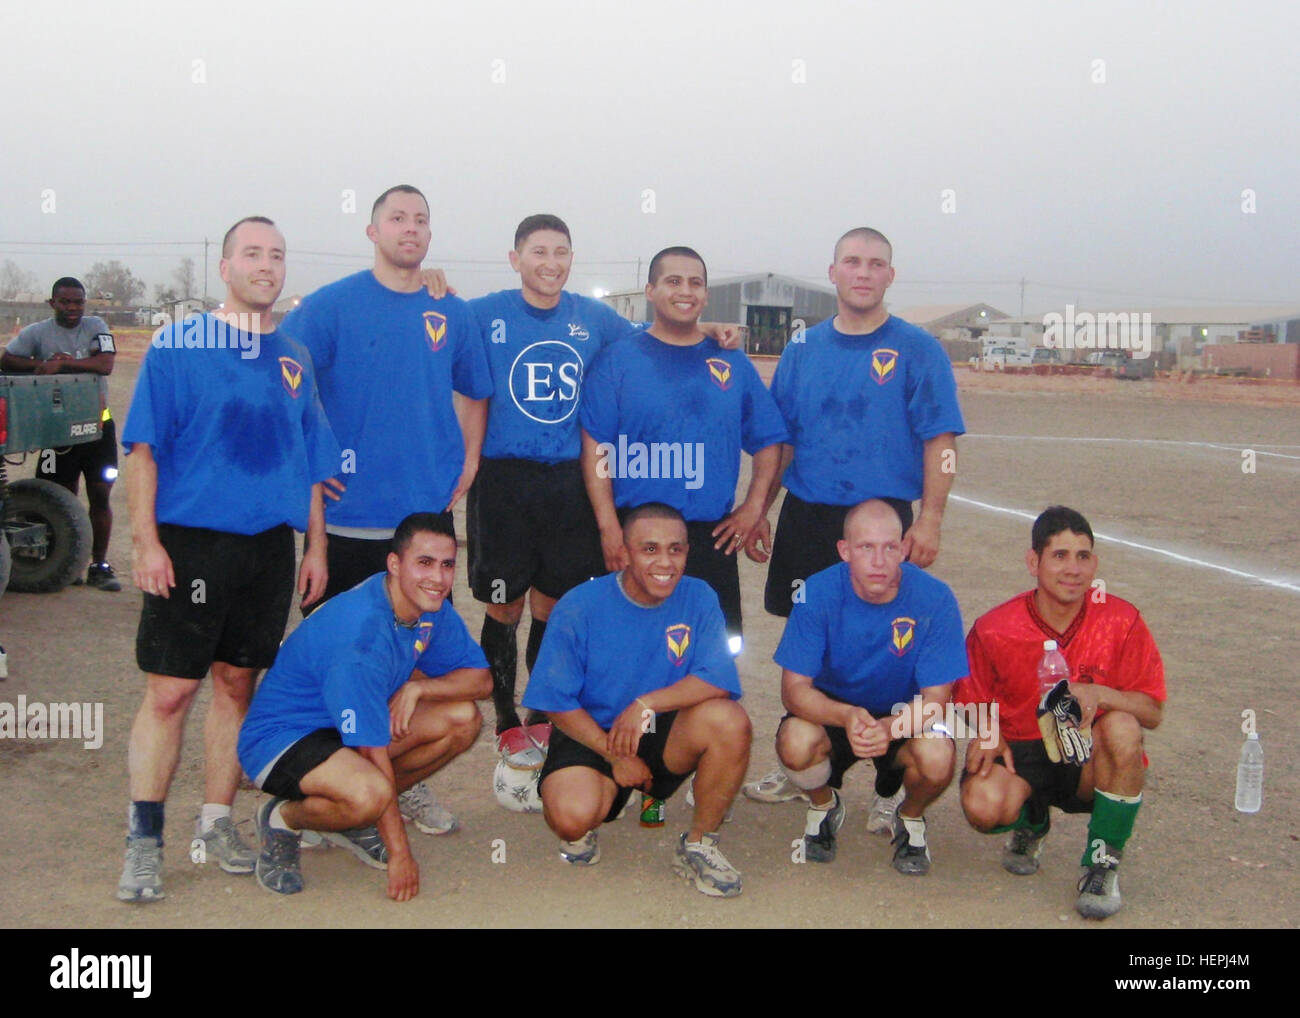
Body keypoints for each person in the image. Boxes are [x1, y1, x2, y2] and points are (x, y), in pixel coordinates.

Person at [461, 219, 744, 766]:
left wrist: (706, 327)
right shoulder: (484, 313)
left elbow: (656, 335)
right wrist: (431, 281)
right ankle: (503, 718)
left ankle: (541, 716)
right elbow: (436, 324)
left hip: (570, 482)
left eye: (561, 252)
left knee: (553, 603)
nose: (551, 262)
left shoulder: (593, 319)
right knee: (503, 604)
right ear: (514, 257)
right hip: (504, 479)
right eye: (538, 251)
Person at [117, 216, 340, 902]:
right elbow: (143, 451)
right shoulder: (179, 346)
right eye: (252, 253)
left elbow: (309, 467)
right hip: (191, 543)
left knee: (238, 685)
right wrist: (146, 541)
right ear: (224, 267)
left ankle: (217, 820)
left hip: (268, 549)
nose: (266, 265)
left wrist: (317, 546)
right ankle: (145, 841)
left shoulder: (294, 355)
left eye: (276, 255)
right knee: (170, 692)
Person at [279, 184, 492, 835]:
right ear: (372, 231)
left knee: (423, 670)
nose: (411, 228)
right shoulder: (332, 305)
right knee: (344, 677)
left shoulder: (448, 309)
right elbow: (282, 376)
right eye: (397, 218)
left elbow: (477, 388)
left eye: (421, 219)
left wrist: (472, 459)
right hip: (347, 528)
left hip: (423, 526)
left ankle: (402, 787)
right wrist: (310, 462)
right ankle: (343, 797)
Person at [745, 227, 966, 807]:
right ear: (834, 272)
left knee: (893, 640)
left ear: (890, 276)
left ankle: (893, 771)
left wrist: (932, 518)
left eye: (875, 264)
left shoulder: (919, 349)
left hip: (883, 522)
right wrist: (761, 509)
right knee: (809, 642)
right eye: (852, 262)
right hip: (811, 516)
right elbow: (781, 440)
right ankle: (811, 763)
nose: (863, 272)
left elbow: (940, 440)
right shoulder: (802, 350)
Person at [238, 512, 490, 900]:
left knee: (463, 719)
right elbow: (372, 753)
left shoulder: (425, 607)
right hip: (284, 738)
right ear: (394, 564)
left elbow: (481, 681)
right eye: (424, 563)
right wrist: (401, 854)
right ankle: (283, 818)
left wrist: (419, 691)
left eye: (447, 565)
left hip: (342, 727)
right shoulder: (361, 636)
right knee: (370, 791)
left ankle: (352, 816)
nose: (438, 579)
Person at [521, 503, 751, 897]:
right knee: (571, 818)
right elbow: (555, 702)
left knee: (730, 721)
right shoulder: (578, 606)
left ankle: (699, 844)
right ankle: (604, 795)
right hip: (594, 731)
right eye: (649, 549)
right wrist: (614, 756)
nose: (665, 562)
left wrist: (645, 703)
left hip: (665, 728)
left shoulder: (699, 596)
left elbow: (718, 678)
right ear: (624, 554)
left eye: (676, 549)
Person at [956, 506, 1166, 918]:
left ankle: (1102, 862)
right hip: (1023, 753)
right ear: (1033, 561)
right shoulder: (996, 627)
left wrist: (1102, 693)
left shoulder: (1121, 621)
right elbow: (969, 692)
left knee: (1124, 727)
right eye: (1060, 555)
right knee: (984, 803)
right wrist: (986, 730)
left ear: (1095, 563)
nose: (1073, 568)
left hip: (1086, 760)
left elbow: (1153, 711)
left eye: (1083, 556)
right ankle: (1031, 824)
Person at [580, 246, 788, 653]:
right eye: (673, 281)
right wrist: (608, 527)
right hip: (635, 533)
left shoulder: (730, 361)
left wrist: (754, 508)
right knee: (630, 657)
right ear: (650, 290)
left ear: (706, 294)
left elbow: (769, 441)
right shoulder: (618, 360)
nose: (685, 291)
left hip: (708, 539)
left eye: (695, 283)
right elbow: (597, 449)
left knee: (714, 662)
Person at [772, 499, 965, 874]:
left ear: (904, 548)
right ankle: (825, 805)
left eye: (889, 547)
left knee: (938, 756)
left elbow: (937, 699)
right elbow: (794, 690)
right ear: (845, 550)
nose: (879, 561)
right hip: (836, 709)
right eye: (866, 547)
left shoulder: (935, 598)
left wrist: (890, 728)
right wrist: (845, 716)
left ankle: (909, 818)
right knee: (794, 743)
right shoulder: (815, 592)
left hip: (902, 714)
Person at [2, 277, 121, 589]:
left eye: (78, 302)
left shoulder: (96, 326)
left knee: (100, 496)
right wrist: (40, 364)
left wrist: (64, 364)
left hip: (97, 430)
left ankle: (99, 565)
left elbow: (105, 364)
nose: (73, 308)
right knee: (58, 498)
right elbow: (7, 359)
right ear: (52, 303)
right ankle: (66, 565)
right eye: (66, 302)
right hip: (57, 434)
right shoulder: (37, 333)